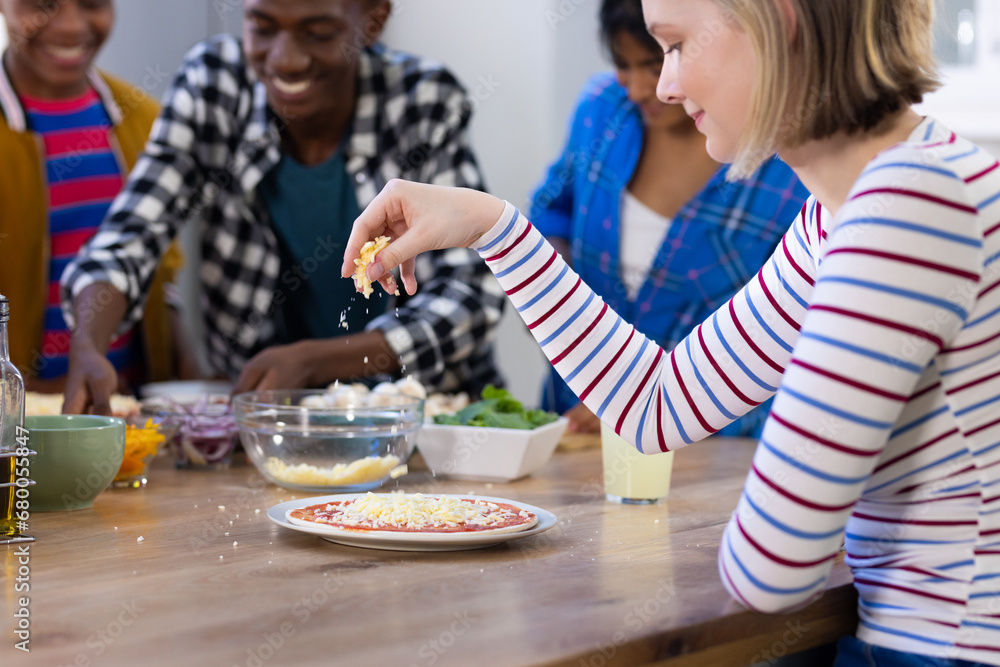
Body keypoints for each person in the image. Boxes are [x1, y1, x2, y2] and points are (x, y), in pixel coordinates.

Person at [343, 0, 1000, 664]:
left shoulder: (907, 211)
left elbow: (771, 568)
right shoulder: (845, 212)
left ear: (778, 21)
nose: (665, 85)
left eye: (678, 45)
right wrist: (492, 226)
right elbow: (659, 401)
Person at [59, 0, 505, 415]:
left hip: (424, 421)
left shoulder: (421, 100)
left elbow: (469, 296)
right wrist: (87, 344)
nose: (285, 59)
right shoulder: (214, 84)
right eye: (262, 27)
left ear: (374, 19)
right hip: (265, 424)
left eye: (319, 32)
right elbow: (133, 232)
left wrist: (319, 362)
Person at [530, 0, 808, 435]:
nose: (647, 89)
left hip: (715, 441)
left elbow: (785, 344)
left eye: (667, 53)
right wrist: (553, 304)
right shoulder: (602, 110)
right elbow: (552, 212)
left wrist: (650, 406)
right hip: (574, 419)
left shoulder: (794, 174)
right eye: (624, 66)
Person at [0, 0, 193, 394]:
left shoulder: (145, 120)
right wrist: (31, 391)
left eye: (92, 4)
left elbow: (160, 269)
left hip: (128, 412)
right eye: (43, 5)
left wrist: (189, 370)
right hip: (18, 427)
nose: (71, 27)